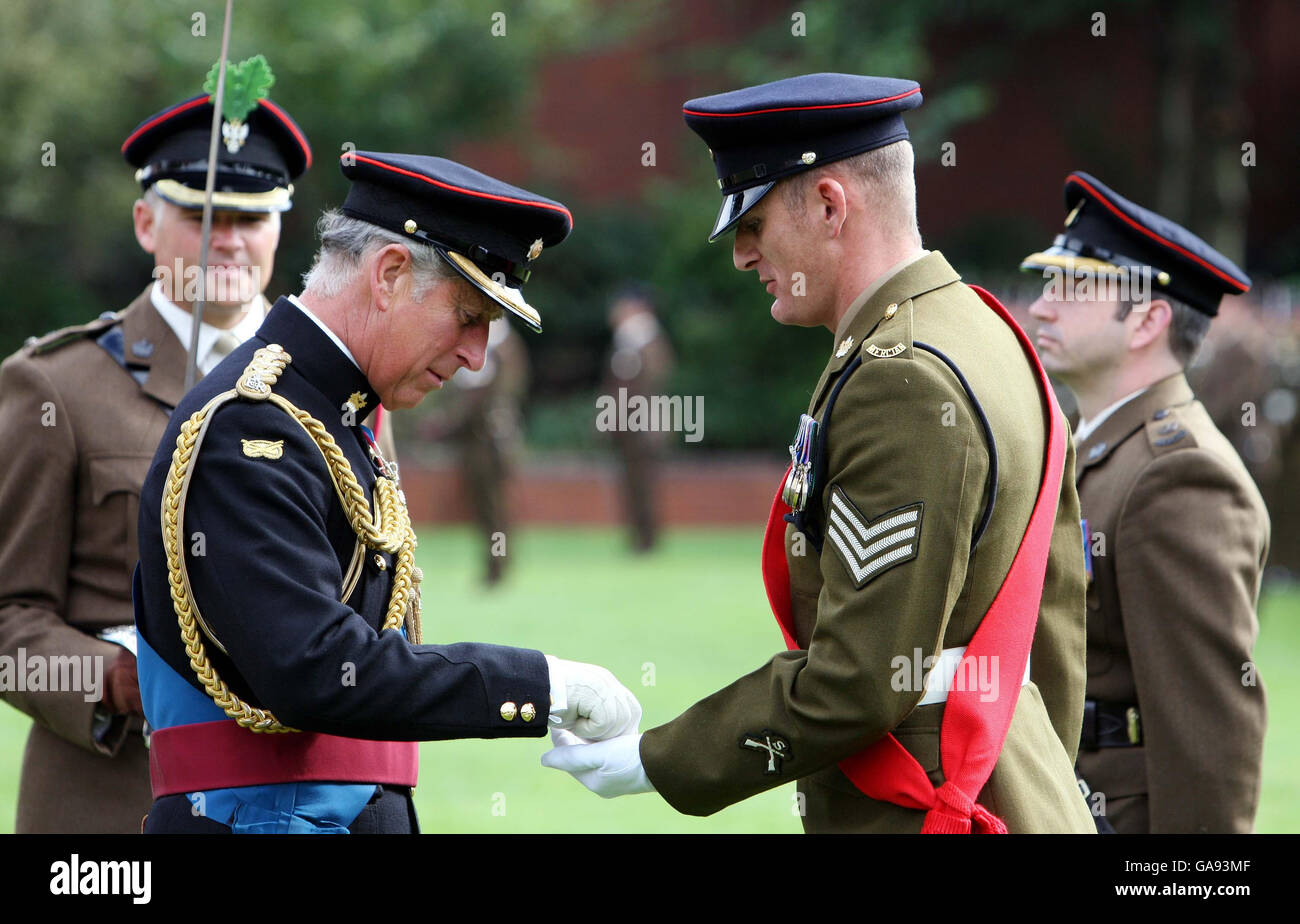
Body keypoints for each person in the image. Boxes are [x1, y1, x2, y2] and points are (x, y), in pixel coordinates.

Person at [543, 73, 1095, 833]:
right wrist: (1038, 776)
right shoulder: (990, 334)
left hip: (924, 804)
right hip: (1013, 778)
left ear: (831, 206)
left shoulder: (901, 375)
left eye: (755, 223)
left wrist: (655, 759)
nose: (741, 255)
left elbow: (858, 679)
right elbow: (1056, 623)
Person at [133, 150, 642, 833]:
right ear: (390, 274)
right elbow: (316, 669)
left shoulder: (335, 415)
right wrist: (541, 684)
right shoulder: (252, 428)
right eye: (468, 316)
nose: (476, 356)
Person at [0, 58, 311, 833]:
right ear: (147, 223)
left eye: (251, 219)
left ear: (279, 228)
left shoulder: (331, 385)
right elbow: (7, 614)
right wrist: (114, 680)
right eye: (203, 217)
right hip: (112, 803)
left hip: (298, 796)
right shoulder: (57, 387)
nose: (229, 242)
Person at [1021, 172, 1269, 832]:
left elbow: (1209, 732)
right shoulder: (1089, 446)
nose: (1042, 307)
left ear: (1149, 319)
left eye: (1072, 289)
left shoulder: (1179, 475)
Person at [421, 317, 528, 585]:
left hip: (490, 444)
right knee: (488, 511)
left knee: (495, 511)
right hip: (478, 443)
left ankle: (498, 565)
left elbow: (482, 401)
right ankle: (496, 564)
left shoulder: (501, 349)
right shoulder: (496, 348)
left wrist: (445, 425)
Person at [604, 285, 675, 552]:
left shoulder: (647, 340)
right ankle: (638, 540)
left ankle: (647, 542)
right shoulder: (628, 341)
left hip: (644, 426)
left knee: (644, 485)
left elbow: (650, 386)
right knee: (632, 485)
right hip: (630, 427)